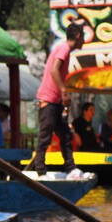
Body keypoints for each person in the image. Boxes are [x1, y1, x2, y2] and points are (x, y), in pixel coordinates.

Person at [31, 22, 86, 177]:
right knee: (45, 136)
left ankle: (70, 168)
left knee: (65, 135)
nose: (84, 42)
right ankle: (40, 171)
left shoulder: (65, 50)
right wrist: (64, 91)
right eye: (84, 38)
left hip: (55, 102)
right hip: (48, 100)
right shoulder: (64, 48)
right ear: (78, 36)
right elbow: (55, 70)